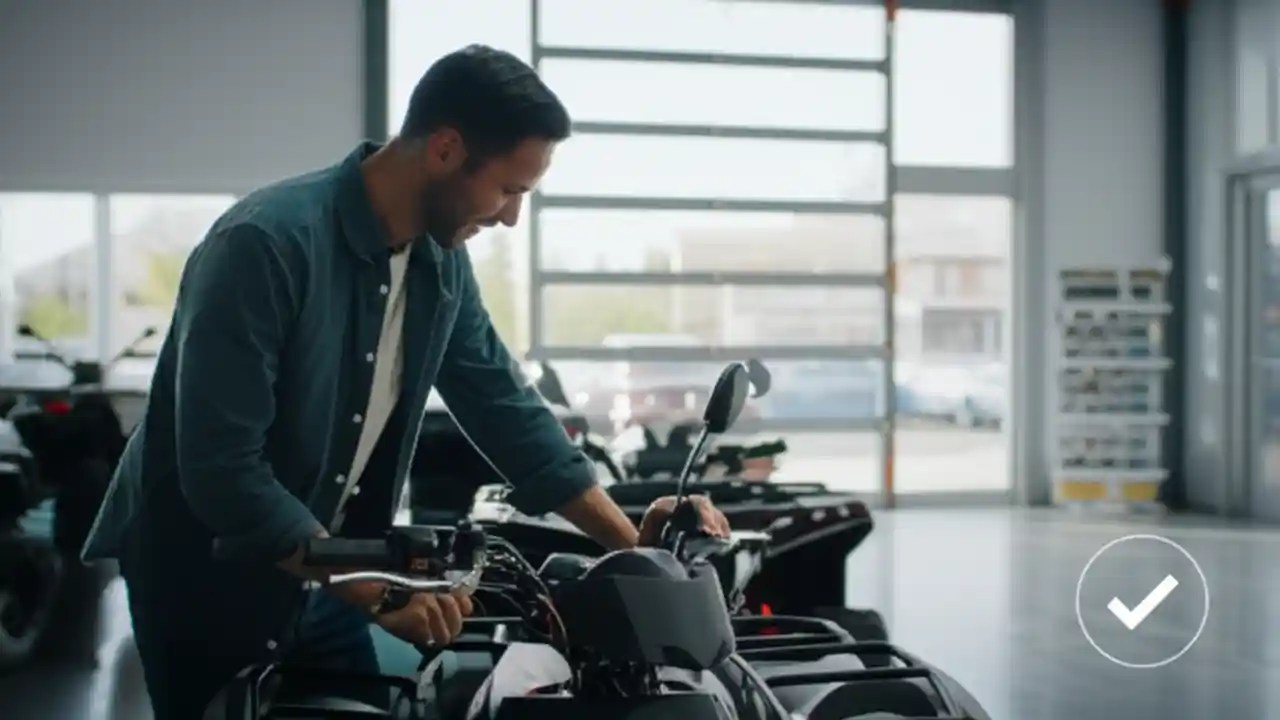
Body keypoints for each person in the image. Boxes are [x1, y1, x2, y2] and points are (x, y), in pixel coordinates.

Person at [81, 44, 730, 719]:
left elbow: (504, 405)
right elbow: (222, 473)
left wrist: (635, 554)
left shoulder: (438, 264)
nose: (510, 217)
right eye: (508, 190)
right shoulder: (263, 245)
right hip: (206, 572)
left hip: (325, 568)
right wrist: (382, 592)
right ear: (446, 150)